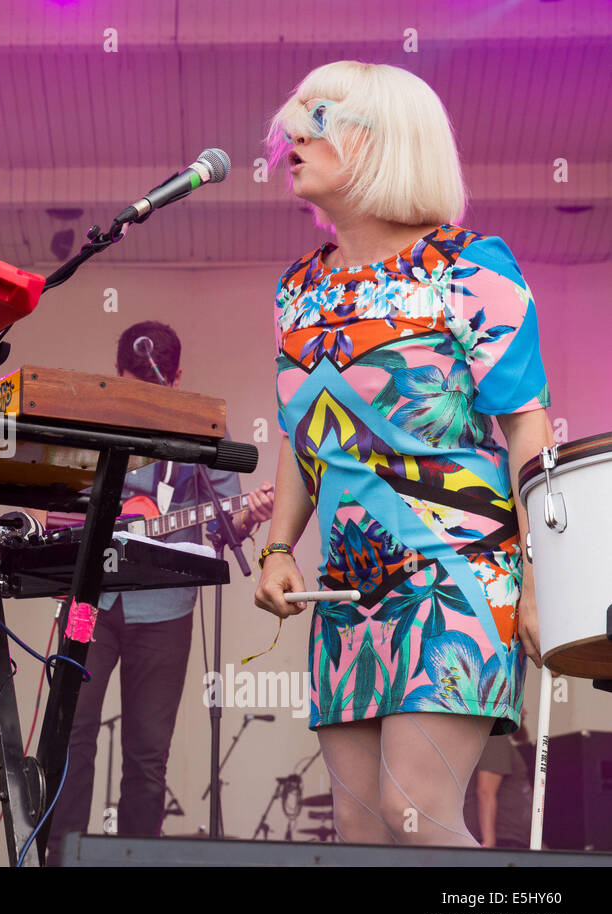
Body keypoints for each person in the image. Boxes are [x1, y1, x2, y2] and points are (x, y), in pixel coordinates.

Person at [253, 61, 553, 848]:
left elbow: (526, 425)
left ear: (384, 144)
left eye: (316, 119)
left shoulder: (471, 269)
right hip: (347, 587)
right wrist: (280, 545)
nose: (291, 137)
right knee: (360, 834)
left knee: (414, 813)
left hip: (457, 566)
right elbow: (305, 431)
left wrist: (543, 575)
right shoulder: (297, 290)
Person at [46, 320, 274, 865]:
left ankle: (133, 859)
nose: (143, 400)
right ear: (115, 377)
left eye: (154, 389)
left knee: (147, 754)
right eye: (131, 387)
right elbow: (55, 502)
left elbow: (223, 528)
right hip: (88, 602)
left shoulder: (202, 429)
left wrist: (249, 519)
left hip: (166, 608)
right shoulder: (90, 419)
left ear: (177, 380)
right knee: (71, 735)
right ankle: (56, 855)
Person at [463, 714, 534, 848]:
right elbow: (485, 791)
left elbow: (522, 738)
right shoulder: (495, 737)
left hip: (508, 838)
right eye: (519, 704)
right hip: (500, 840)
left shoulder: (495, 737)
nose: (524, 710)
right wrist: (489, 843)